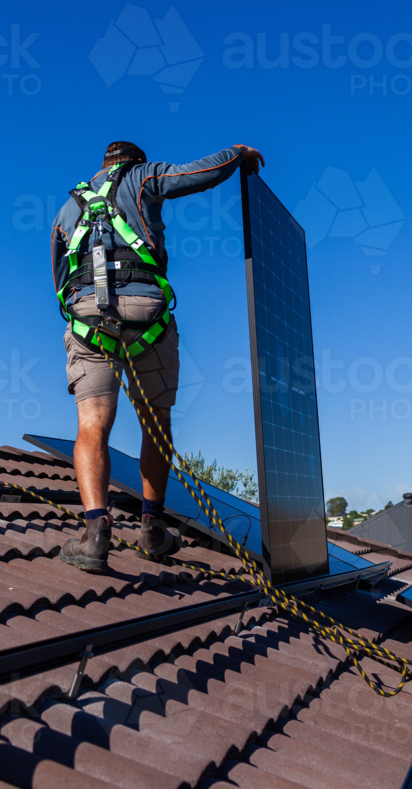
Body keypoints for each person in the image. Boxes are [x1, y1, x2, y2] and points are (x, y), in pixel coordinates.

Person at [51, 140, 265, 573]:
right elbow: (194, 174)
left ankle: (94, 533)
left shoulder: (67, 209)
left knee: (92, 422)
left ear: (102, 164)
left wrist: (82, 308)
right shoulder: (143, 176)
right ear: (135, 161)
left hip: (87, 319)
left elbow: (58, 274)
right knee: (155, 421)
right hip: (145, 314)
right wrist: (236, 155)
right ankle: (151, 527)